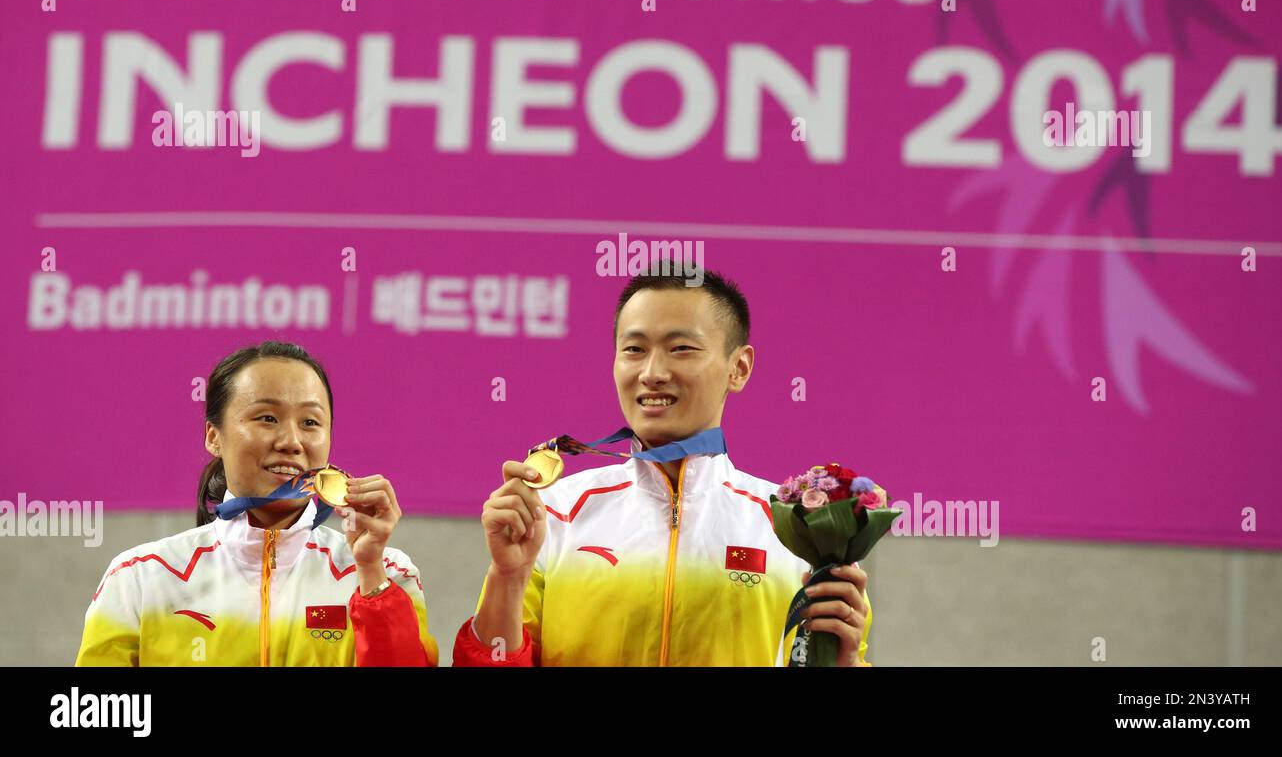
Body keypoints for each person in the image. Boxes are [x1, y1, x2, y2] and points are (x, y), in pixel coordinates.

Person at [453, 264, 871, 666]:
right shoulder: (555, 513)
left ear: (738, 368)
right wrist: (507, 577)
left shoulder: (795, 530)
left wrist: (845, 661)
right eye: (634, 349)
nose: (652, 372)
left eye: (681, 349)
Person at [75, 341, 438, 666]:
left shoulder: (387, 572)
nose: (291, 441)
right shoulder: (141, 577)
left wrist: (370, 570)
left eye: (310, 422)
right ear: (213, 437)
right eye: (267, 417)